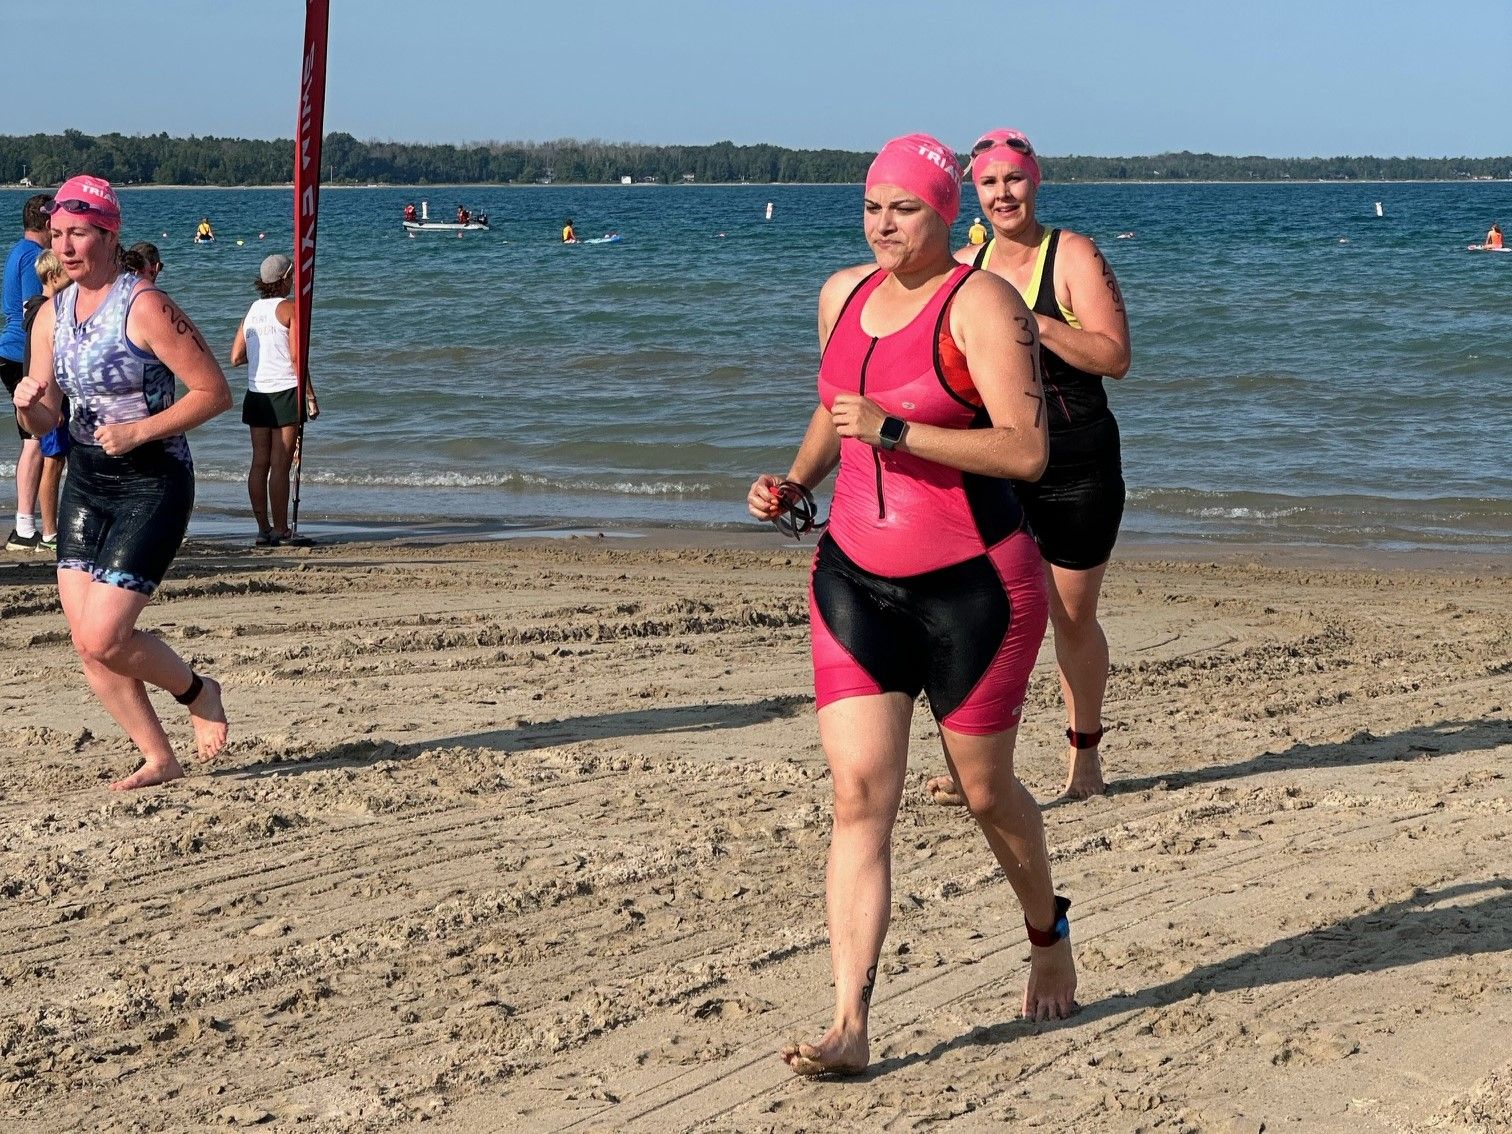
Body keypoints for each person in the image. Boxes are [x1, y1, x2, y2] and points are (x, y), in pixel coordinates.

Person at [746, 134, 1077, 1077]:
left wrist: (899, 430)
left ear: (946, 214)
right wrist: (794, 479)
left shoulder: (985, 306)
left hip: (975, 585)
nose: (885, 225)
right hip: (854, 578)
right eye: (873, 207)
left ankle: (1046, 928)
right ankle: (850, 1024)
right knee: (859, 797)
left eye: (907, 209)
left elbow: (1025, 453)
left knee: (984, 791)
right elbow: (834, 405)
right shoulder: (841, 295)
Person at [11, 175, 234, 791]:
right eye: (57, 235)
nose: (65, 247)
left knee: (107, 634)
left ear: (109, 235)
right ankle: (159, 757)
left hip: (153, 482)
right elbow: (47, 418)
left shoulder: (145, 306)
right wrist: (28, 404)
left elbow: (214, 393)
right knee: (88, 643)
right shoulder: (50, 315)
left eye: (78, 233)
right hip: (86, 481)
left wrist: (139, 432)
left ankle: (199, 691)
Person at [930, 127, 1131, 803]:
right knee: (987, 614)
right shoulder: (962, 268)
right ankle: (979, 768)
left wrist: (1032, 323)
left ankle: (1086, 761)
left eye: (1013, 179)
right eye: (988, 182)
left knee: (1069, 619)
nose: (1002, 193)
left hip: (1078, 468)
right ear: (972, 192)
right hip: (999, 463)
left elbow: (1115, 357)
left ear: (1035, 180)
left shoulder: (1071, 254)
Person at [230, 253, 318, 546]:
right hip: (283, 392)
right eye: (291, 276)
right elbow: (296, 357)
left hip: (256, 394)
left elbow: (235, 357)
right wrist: (310, 395)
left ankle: (263, 529)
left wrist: (262, 354)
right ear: (284, 279)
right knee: (281, 464)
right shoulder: (290, 308)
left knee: (260, 463)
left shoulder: (251, 311)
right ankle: (282, 530)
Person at [2, 193, 53, 551]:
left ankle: (26, 523)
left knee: (31, 440)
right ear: (47, 224)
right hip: (22, 353)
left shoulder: (17, 250)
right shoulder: (34, 256)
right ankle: (24, 526)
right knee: (35, 439)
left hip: (11, 350)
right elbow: (35, 312)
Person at [21, 250, 71, 552]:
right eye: (66, 274)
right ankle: (50, 532)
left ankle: (53, 528)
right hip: (48, 397)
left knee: (58, 458)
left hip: (52, 396)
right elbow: (35, 360)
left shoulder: (41, 309)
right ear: (53, 278)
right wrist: (48, 404)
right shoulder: (45, 312)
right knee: (53, 459)